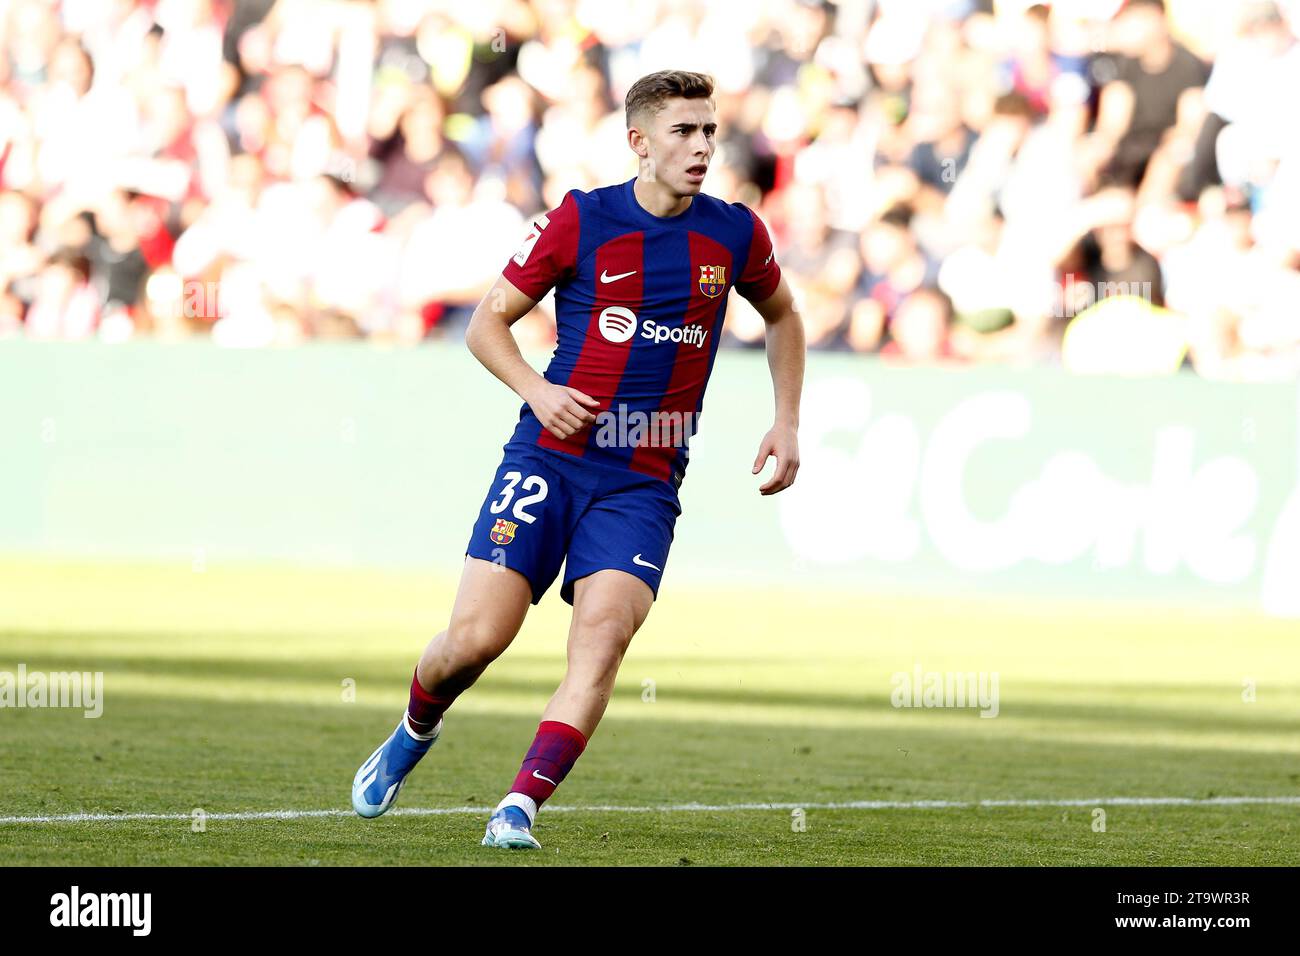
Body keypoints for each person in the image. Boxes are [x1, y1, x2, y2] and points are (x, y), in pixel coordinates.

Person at [349, 69, 805, 850]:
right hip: (551, 457)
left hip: (645, 478)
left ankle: (518, 807)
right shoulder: (580, 220)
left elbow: (783, 315)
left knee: (602, 637)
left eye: (708, 132)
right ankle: (413, 731)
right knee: (475, 641)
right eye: (683, 133)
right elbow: (486, 325)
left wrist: (786, 420)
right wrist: (535, 388)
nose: (701, 148)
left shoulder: (734, 233)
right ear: (639, 143)